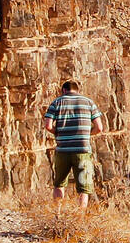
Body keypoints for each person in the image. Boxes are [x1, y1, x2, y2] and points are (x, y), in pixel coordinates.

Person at [43, 79, 104, 208]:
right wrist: (86, 134)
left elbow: (48, 126)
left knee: (59, 184)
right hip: (82, 150)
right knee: (83, 187)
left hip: (62, 150)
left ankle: (57, 215)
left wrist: (58, 133)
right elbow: (99, 128)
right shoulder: (89, 103)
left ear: (64, 90)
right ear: (77, 90)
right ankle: (80, 219)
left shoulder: (57, 102)